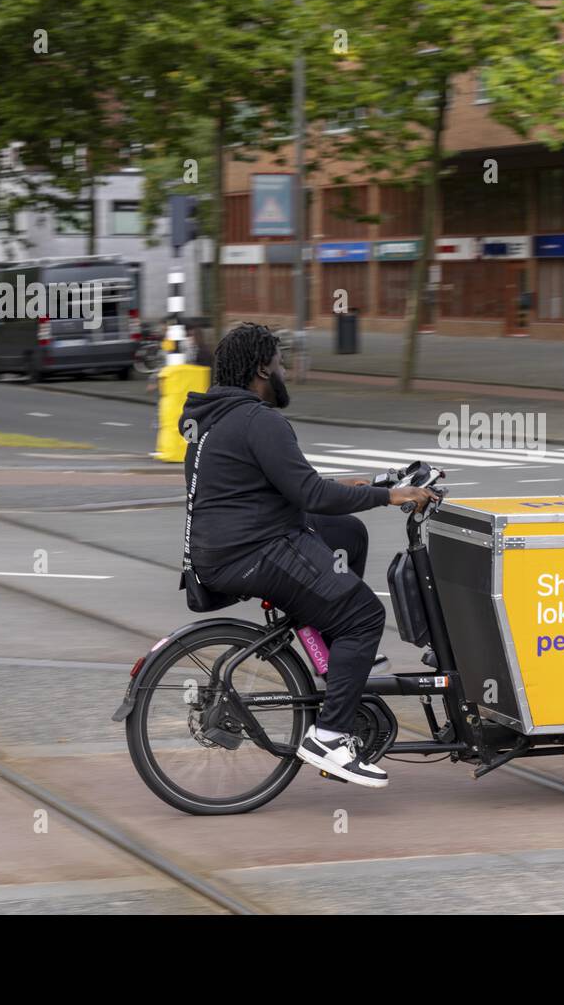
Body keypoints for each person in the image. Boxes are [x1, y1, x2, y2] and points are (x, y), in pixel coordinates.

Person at [178, 322, 435, 787]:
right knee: (365, 615)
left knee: (348, 535)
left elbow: (278, 488)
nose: (284, 372)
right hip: (253, 551)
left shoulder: (214, 419)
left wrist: (361, 490)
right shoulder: (260, 420)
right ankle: (330, 737)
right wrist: (392, 497)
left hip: (225, 548)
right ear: (261, 368)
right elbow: (310, 493)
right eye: (279, 363)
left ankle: (336, 658)